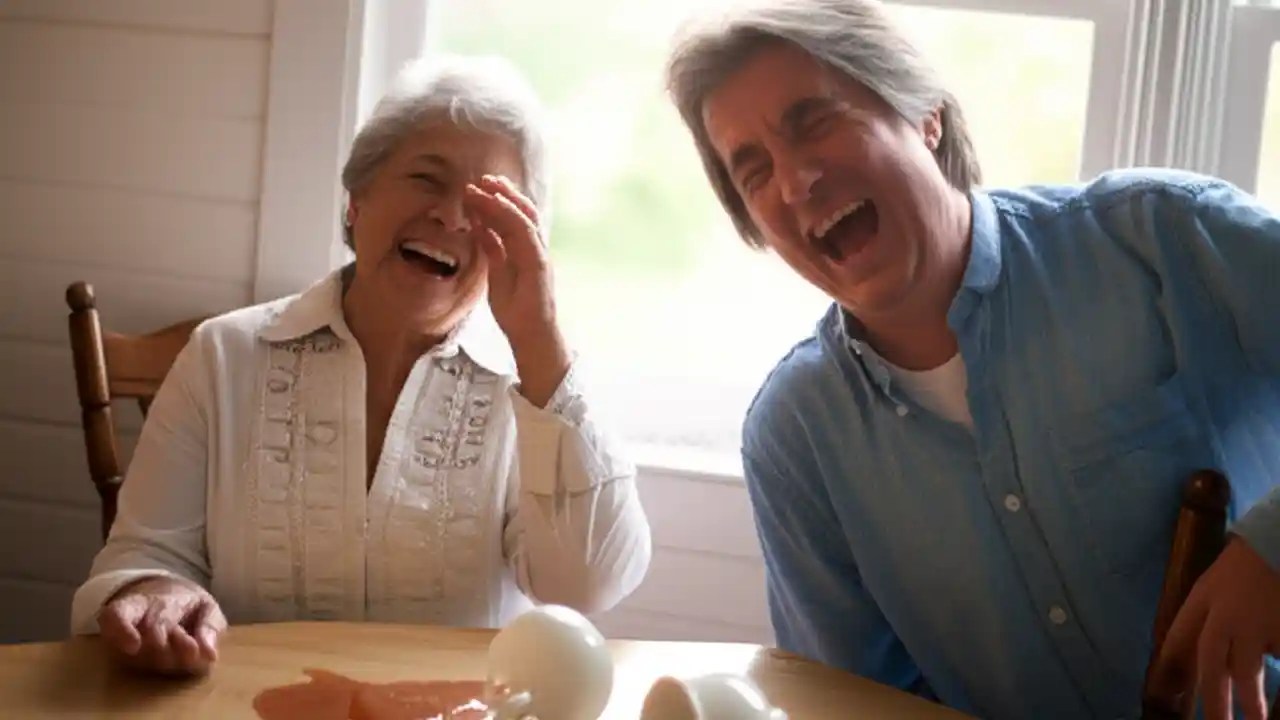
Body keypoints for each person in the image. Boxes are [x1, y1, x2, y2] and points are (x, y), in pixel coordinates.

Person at [664, 1, 1280, 718]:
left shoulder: (1161, 239)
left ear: (925, 114)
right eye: (754, 171)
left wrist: (1272, 546)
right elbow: (848, 704)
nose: (796, 181)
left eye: (814, 120)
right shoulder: (794, 439)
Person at [69, 54, 652, 676]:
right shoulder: (221, 356)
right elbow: (142, 556)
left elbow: (590, 584)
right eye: (428, 179)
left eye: (486, 202)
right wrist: (152, 591)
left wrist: (537, 335)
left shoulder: (537, 384)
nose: (452, 216)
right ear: (357, 200)